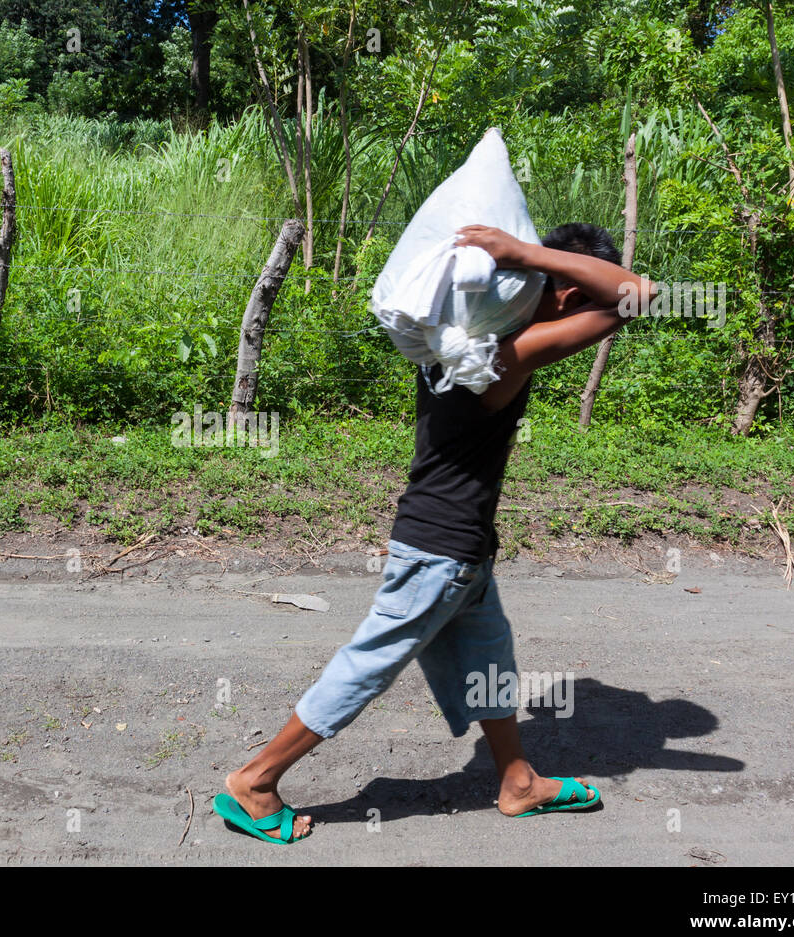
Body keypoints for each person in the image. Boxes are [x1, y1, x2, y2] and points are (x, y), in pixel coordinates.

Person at [213, 222, 657, 843]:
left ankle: (518, 781)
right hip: (441, 551)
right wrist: (528, 254)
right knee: (370, 665)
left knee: (491, 659)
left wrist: (527, 262)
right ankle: (256, 780)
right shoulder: (501, 356)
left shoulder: (456, 337)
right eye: (573, 289)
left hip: (460, 548)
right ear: (559, 289)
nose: (582, 303)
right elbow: (639, 297)